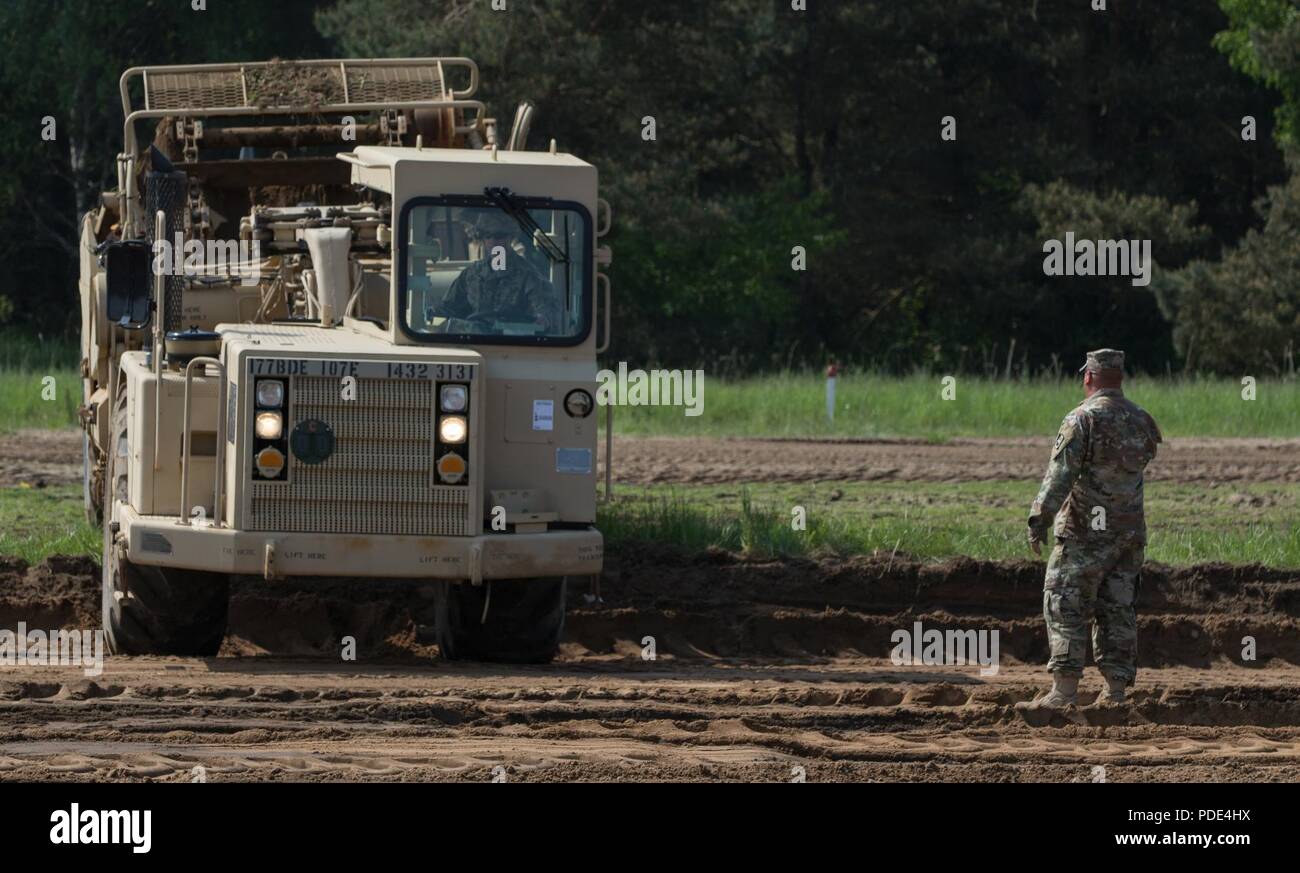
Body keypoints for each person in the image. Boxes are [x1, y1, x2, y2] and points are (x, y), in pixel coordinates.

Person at [1017, 349, 1162, 711]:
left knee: (1065, 602)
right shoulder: (1142, 420)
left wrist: (1039, 518)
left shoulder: (1081, 419)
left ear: (1089, 378)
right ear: (1120, 378)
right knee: (1118, 608)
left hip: (1084, 532)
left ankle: (1064, 692)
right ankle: (1115, 693)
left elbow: (1060, 475)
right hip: (1128, 534)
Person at [436, 211, 561, 333]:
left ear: (510, 237)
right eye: (488, 236)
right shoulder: (471, 274)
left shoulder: (528, 275)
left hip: (511, 345)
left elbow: (546, 311)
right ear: (482, 239)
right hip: (474, 343)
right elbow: (447, 307)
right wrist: (431, 313)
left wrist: (543, 319)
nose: (494, 241)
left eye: (500, 236)